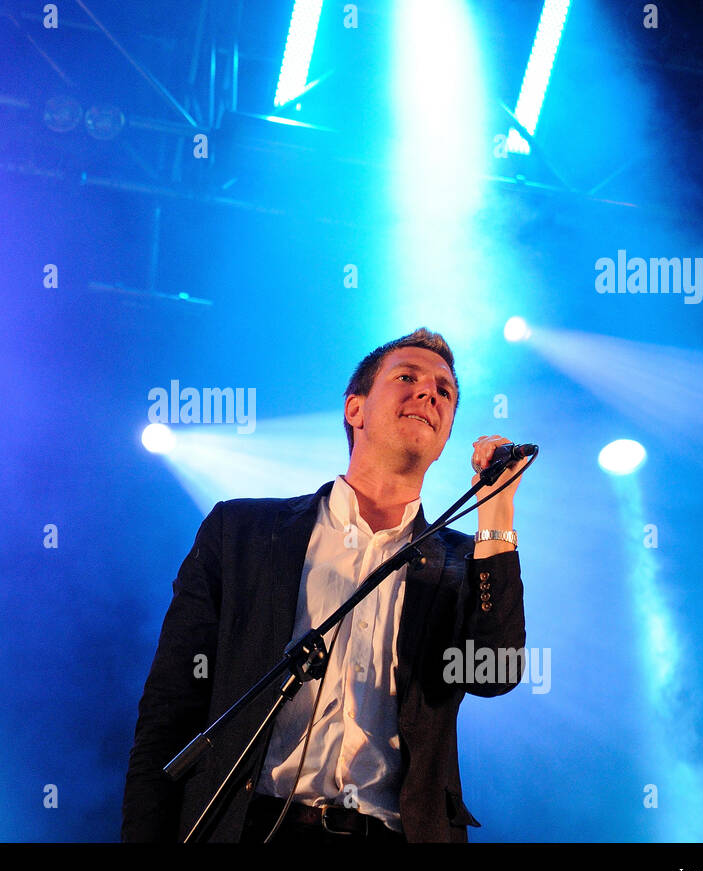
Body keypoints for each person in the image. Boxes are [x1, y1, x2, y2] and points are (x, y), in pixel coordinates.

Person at [121, 329, 527, 843]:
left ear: (445, 436)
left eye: (444, 391)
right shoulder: (241, 532)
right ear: (355, 410)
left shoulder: (465, 559)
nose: (429, 393)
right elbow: (170, 709)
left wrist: (497, 508)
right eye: (407, 377)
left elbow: (496, 671)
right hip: (254, 826)